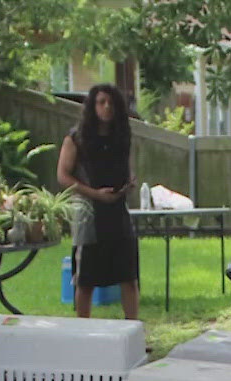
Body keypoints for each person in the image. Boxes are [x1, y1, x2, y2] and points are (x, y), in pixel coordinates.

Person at [57, 83, 140, 320]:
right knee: (86, 281)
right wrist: (94, 194)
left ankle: (133, 327)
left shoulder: (121, 136)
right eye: (101, 102)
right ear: (92, 106)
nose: (107, 107)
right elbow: (63, 176)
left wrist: (129, 181)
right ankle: (83, 330)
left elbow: (127, 166)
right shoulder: (77, 138)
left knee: (129, 278)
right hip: (89, 217)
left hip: (118, 213)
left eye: (111, 103)